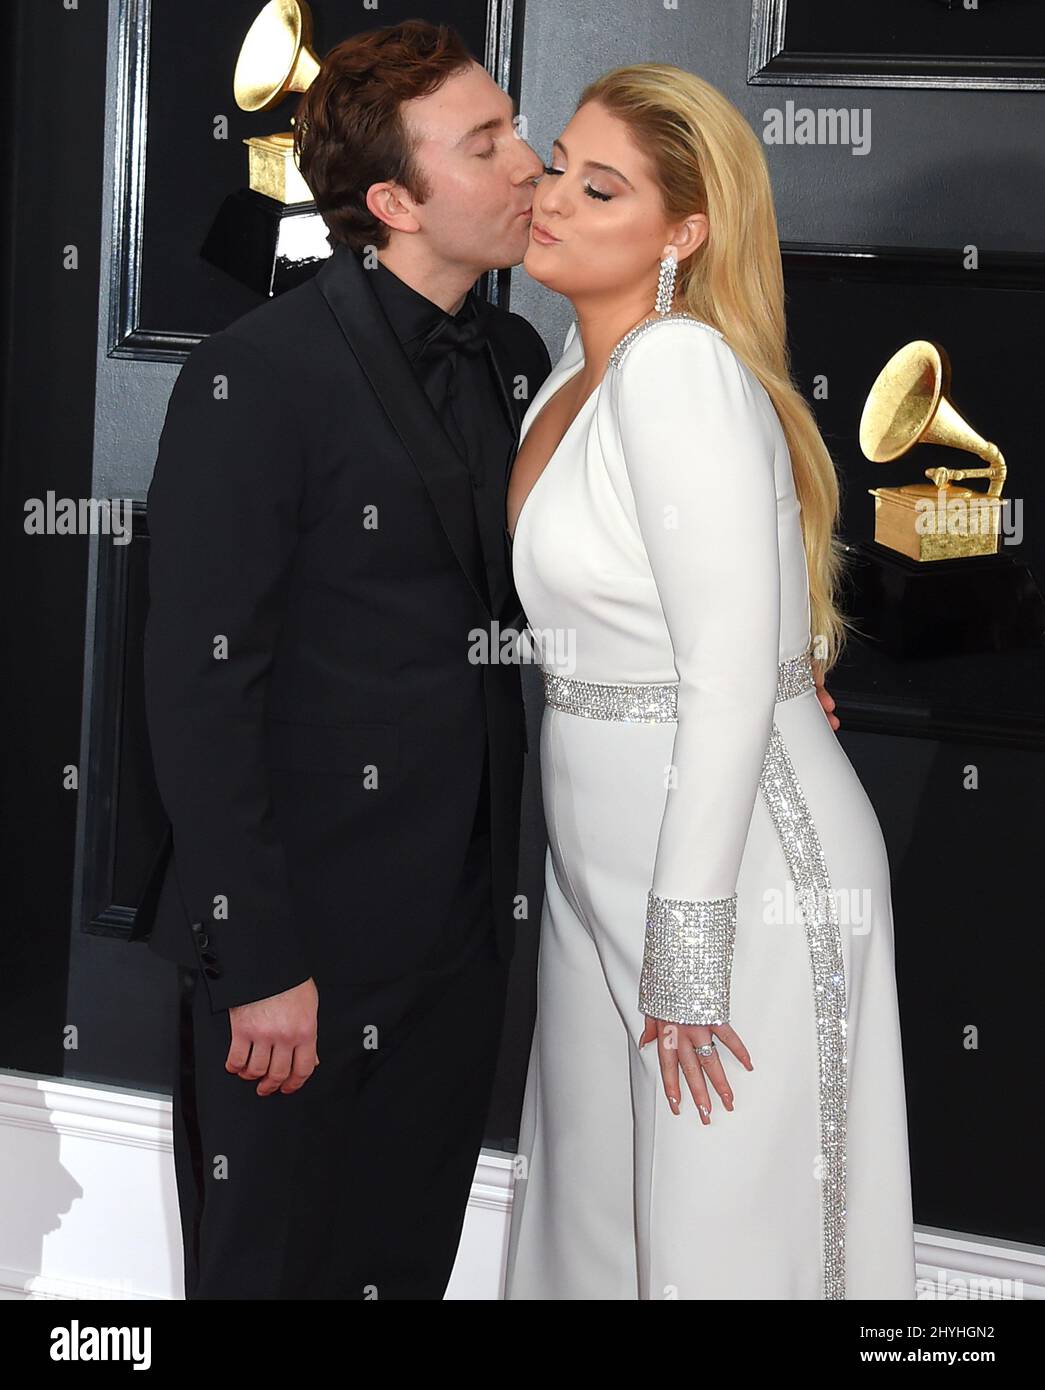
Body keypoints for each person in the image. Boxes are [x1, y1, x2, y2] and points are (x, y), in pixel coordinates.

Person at [134, 20, 550, 1299]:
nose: (529, 162)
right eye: (486, 144)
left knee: (399, 1270)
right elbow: (201, 684)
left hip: (461, 947)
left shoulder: (519, 359)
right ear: (392, 202)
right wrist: (259, 962)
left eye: (513, 125)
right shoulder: (253, 377)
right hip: (296, 954)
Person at [502, 65, 915, 1299]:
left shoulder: (678, 367)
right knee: (599, 1230)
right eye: (558, 160)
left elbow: (730, 680)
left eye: (601, 184)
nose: (552, 196)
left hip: (735, 885)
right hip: (597, 872)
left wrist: (690, 956)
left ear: (684, 233)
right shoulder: (561, 377)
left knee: (716, 1249)